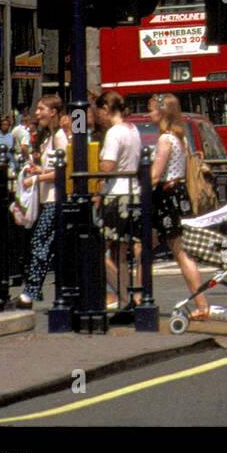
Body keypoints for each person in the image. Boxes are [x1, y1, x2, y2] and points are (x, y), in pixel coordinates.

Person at [149, 94, 210, 319]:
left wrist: (136, 181)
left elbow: (155, 175)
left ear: (163, 112)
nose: (149, 114)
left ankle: (202, 305)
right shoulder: (180, 137)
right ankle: (134, 297)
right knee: (144, 247)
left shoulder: (165, 139)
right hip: (178, 195)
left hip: (168, 197)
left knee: (181, 253)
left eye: (153, 109)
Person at [91, 91, 144, 310]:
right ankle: (128, 298)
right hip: (133, 193)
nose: (98, 117)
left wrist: (97, 160)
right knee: (121, 252)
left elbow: (108, 166)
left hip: (116, 196)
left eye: (99, 112)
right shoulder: (134, 130)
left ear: (105, 109)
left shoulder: (114, 133)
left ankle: (124, 295)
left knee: (97, 250)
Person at [17, 96, 69, 307]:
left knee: (39, 242)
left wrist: (36, 178)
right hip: (48, 199)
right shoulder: (50, 137)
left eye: (41, 109)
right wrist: (38, 170)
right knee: (44, 244)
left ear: (53, 112)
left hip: (55, 200)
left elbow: (62, 172)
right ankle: (32, 291)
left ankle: (30, 292)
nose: (37, 113)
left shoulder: (59, 137)